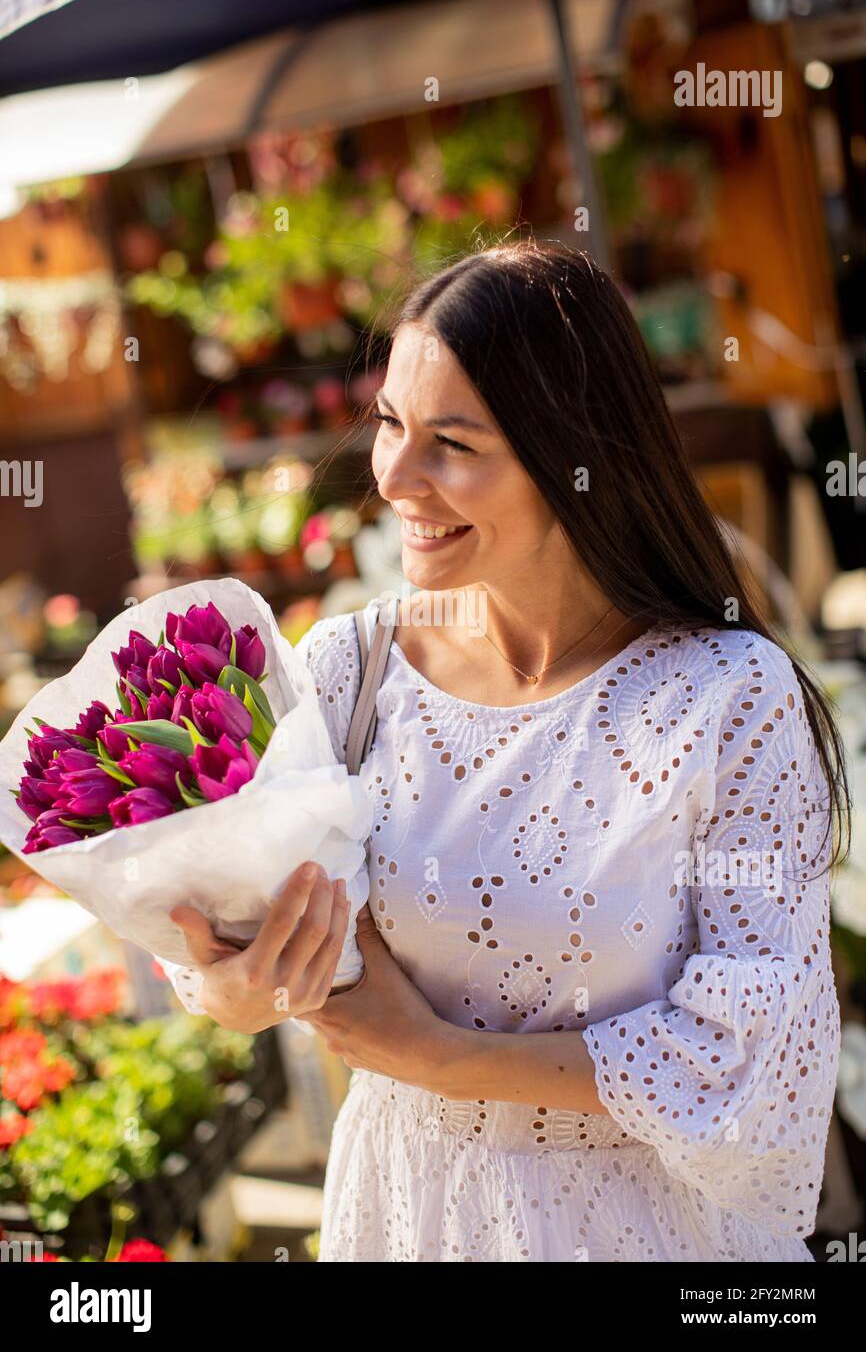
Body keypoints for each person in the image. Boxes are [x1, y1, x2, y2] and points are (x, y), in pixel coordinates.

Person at [163, 242, 849, 1262]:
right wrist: (227, 985)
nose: (391, 473)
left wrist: (441, 1057)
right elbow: (232, 938)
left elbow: (753, 1057)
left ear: (576, 458)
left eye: (451, 441)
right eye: (391, 420)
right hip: (408, 1221)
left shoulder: (726, 698)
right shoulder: (348, 671)